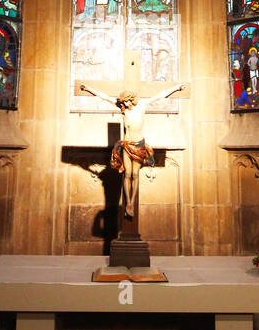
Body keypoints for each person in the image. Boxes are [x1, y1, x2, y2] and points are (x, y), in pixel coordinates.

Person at [78, 81, 185, 224]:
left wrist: (176, 88)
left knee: (135, 174)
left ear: (132, 99)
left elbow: (160, 96)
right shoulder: (123, 109)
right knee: (127, 174)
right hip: (127, 145)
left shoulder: (141, 106)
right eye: (124, 102)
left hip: (139, 145)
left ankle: (132, 202)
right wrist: (89, 89)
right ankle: (128, 202)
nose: (126, 104)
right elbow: (104, 97)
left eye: (127, 101)